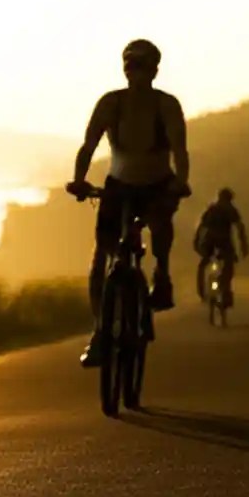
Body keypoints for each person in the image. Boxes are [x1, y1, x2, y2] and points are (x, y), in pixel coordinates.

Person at [66, 39, 190, 368]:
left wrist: (180, 182)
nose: (135, 72)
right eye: (131, 65)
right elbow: (88, 145)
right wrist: (79, 180)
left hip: (158, 184)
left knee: (161, 227)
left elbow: (180, 149)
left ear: (154, 70)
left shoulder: (167, 105)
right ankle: (99, 332)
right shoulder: (111, 104)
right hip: (118, 185)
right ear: (125, 69)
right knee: (101, 257)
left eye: (142, 65)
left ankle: (161, 274)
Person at [193, 187, 249, 306]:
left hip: (209, 242)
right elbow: (240, 228)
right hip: (224, 242)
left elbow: (201, 227)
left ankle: (202, 292)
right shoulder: (230, 209)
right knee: (228, 265)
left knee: (202, 266)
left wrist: (197, 242)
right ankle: (225, 289)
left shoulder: (212, 209)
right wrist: (244, 246)